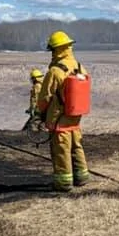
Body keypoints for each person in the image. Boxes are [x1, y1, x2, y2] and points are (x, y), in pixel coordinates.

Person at [36, 31, 90, 192]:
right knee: (76, 147)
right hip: (75, 117)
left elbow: (44, 97)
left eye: (52, 50)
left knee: (61, 150)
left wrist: (39, 113)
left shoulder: (55, 71)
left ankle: (63, 182)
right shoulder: (80, 67)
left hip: (59, 119)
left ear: (56, 50)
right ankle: (81, 177)